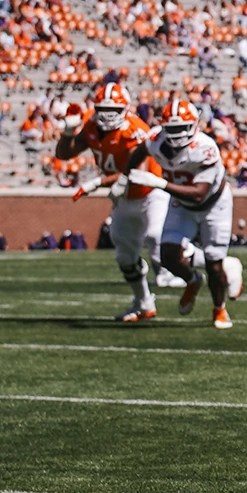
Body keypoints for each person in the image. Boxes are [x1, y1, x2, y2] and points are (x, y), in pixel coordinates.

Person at [56, 81, 169, 322]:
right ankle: (143, 303)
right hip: (123, 198)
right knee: (125, 257)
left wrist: (97, 183)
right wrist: (68, 132)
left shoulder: (135, 129)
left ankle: (206, 263)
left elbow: (135, 172)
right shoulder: (91, 124)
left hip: (150, 192)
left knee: (156, 236)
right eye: (103, 110)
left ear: (125, 109)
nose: (107, 116)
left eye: (113, 110)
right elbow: (64, 154)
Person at [132, 98, 241, 329]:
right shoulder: (156, 140)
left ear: (195, 125)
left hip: (214, 204)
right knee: (167, 254)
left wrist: (159, 183)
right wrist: (125, 176)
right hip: (181, 203)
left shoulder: (205, 148)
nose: (177, 134)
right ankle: (193, 280)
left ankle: (219, 309)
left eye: (182, 128)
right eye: (171, 129)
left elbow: (199, 194)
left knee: (214, 263)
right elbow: (140, 150)